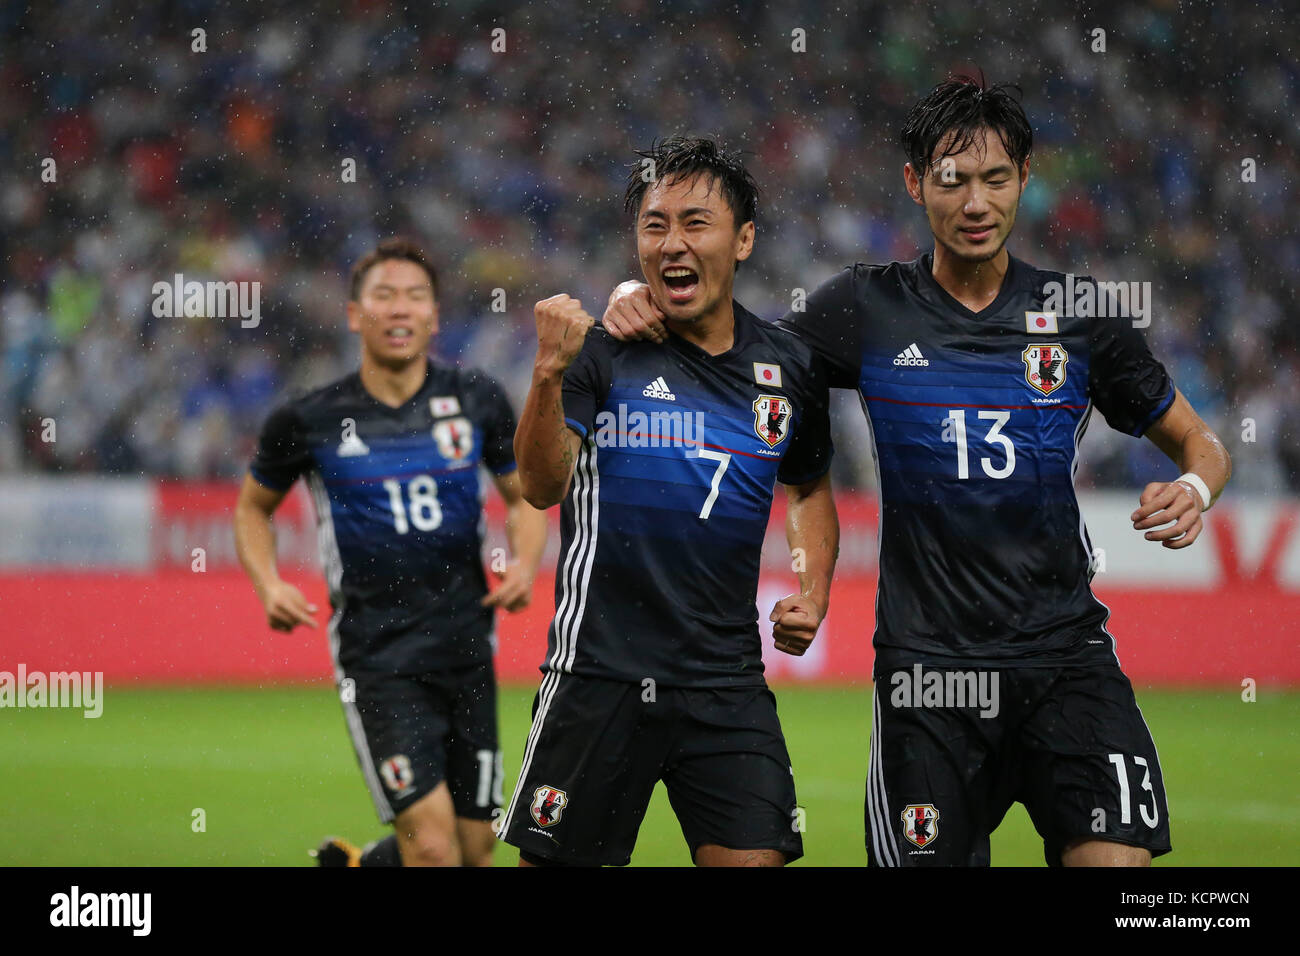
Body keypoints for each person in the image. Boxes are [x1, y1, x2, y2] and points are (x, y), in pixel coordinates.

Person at [600, 77, 1232, 867]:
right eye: (952, 179)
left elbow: (1201, 442)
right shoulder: (865, 308)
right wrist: (637, 290)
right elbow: (736, 346)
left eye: (995, 179)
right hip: (927, 680)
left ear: (1025, 181)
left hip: (1065, 661)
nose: (975, 202)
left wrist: (1195, 487)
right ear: (914, 183)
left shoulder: (1077, 311)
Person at [497, 136, 839, 867]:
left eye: (695, 222)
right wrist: (549, 372)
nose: (672, 243)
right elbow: (541, 485)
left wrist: (812, 588)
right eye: (655, 226)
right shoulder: (599, 350)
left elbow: (807, 487)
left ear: (743, 239)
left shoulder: (789, 367)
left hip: (725, 682)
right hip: (597, 675)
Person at [233, 237, 546, 866]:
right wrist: (269, 584)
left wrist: (525, 563)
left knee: (475, 847)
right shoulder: (309, 418)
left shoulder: (477, 399)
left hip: (465, 646)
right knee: (432, 848)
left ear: (434, 314)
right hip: (379, 657)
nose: (399, 309)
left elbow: (525, 498)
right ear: (355, 314)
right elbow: (252, 509)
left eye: (414, 296)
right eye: (384, 296)